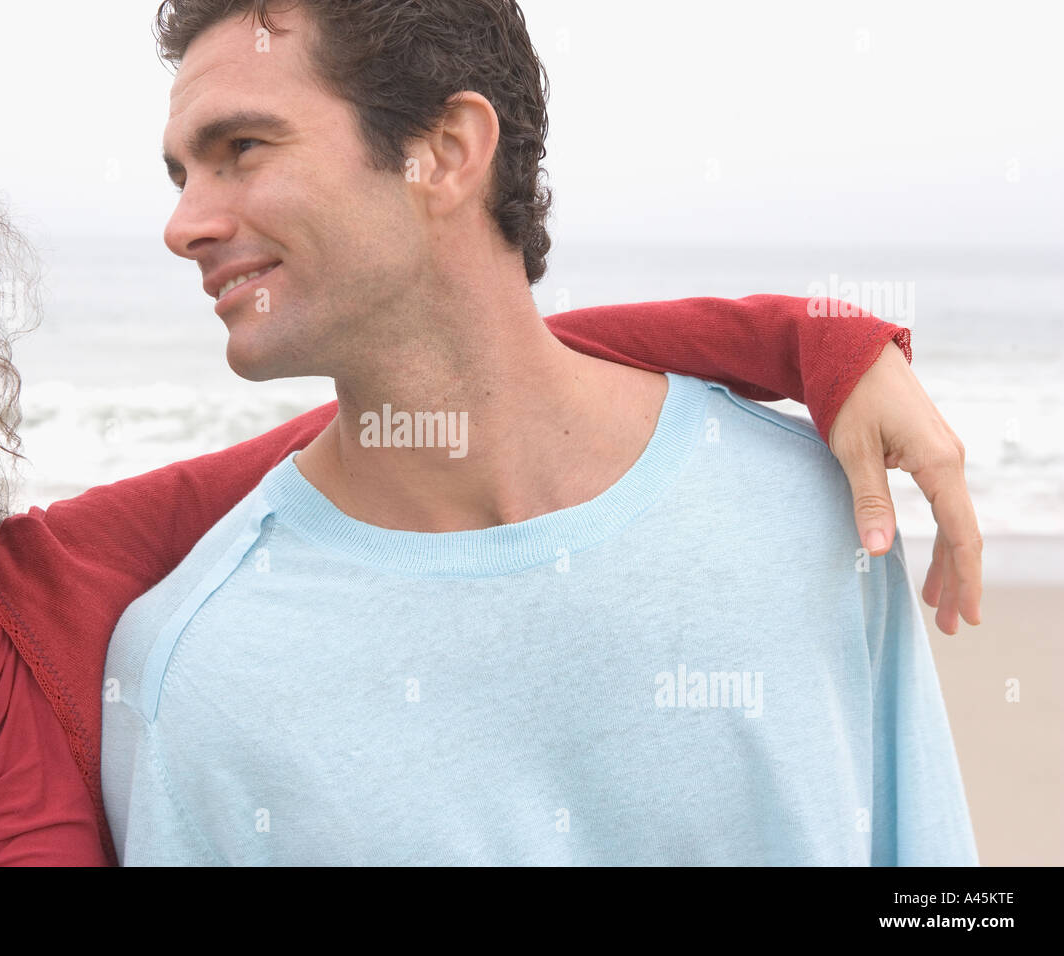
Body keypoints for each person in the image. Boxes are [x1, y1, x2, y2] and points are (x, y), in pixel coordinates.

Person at [101, 0, 979, 865]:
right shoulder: (192, 669)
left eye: (241, 150)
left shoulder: (808, 514)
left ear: (446, 153)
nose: (185, 227)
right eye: (182, 176)